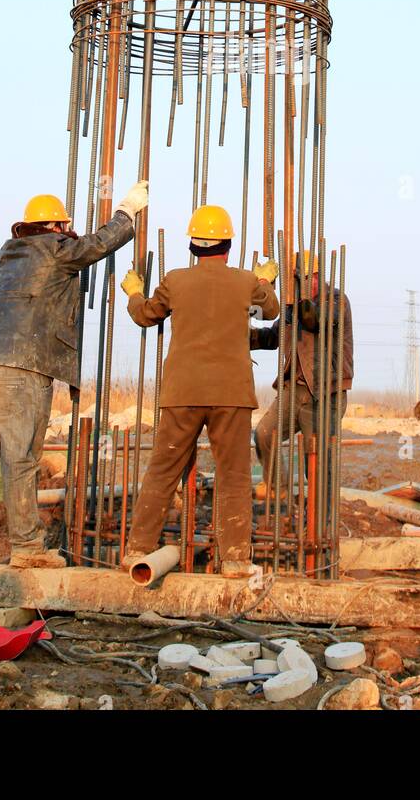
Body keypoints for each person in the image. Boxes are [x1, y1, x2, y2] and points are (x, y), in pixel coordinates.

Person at [0, 182, 149, 567]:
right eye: (64, 227)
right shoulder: (54, 251)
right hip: (22, 369)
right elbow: (96, 246)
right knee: (22, 458)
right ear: (54, 227)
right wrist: (127, 212)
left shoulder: (11, 254)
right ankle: (27, 548)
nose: (68, 232)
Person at [120, 205, 279, 577]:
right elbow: (270, 310)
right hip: (232, 395)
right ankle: (236, 559)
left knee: (162, 472)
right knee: (235, 477)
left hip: (183, 393)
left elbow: (145, 315)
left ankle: (137, 550)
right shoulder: (245, 282)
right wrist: (264, 280)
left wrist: (134, 291)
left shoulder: (175, 280)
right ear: (227, 245)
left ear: (194, 246)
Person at [253, 251, 354, 491]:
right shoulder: (292, 305)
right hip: (293, 390)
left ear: (317, 276)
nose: (302, 284)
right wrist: (243, 334)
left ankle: (322, 518)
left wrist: (297, 306)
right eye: (297, 279)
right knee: (265, 436)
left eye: (306, 278)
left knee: (317, 458)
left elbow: (316, 320)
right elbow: (272, 338)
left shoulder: (336, 300)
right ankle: (282, 495)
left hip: (324, 392)